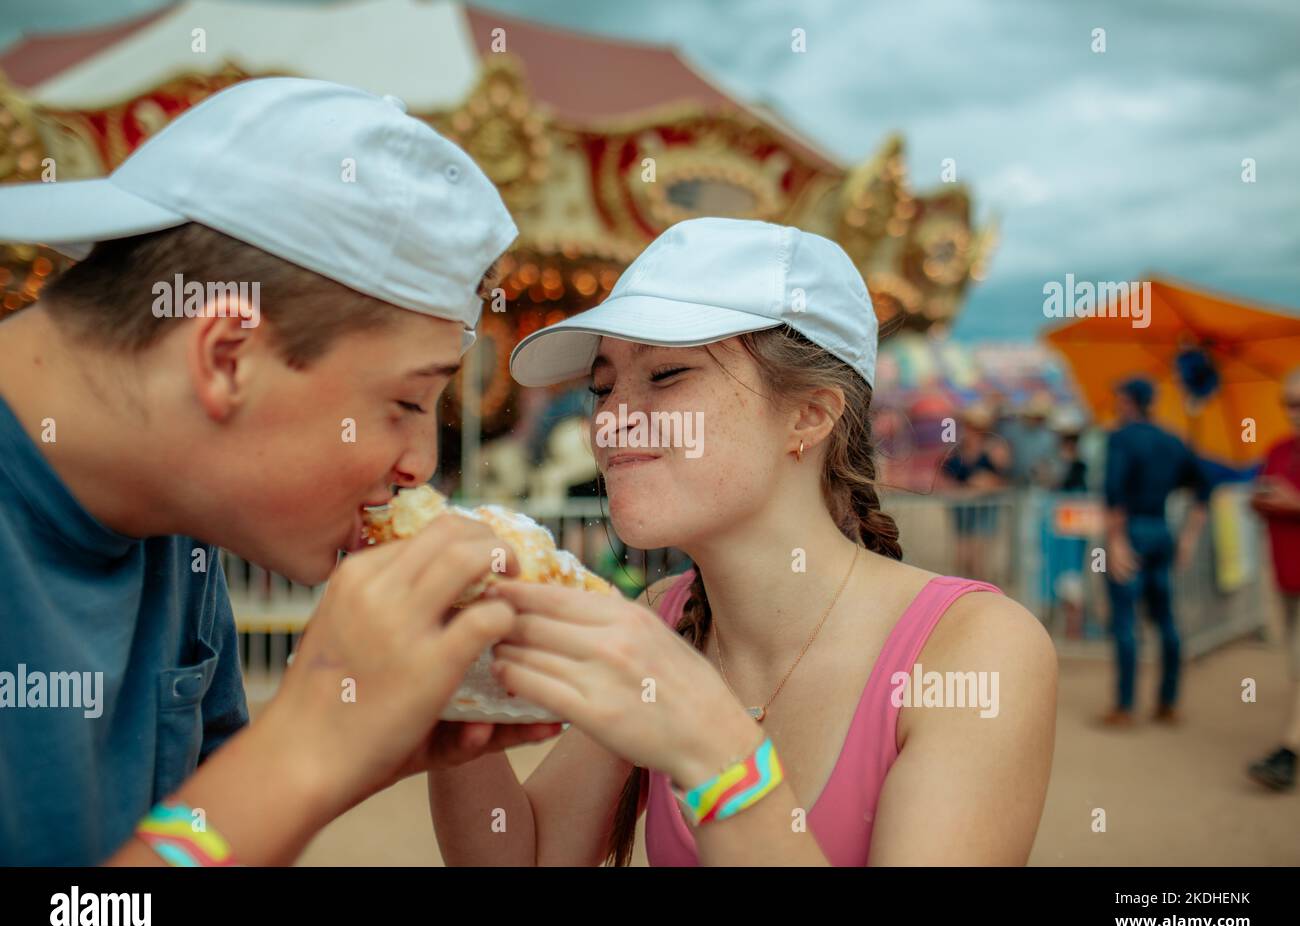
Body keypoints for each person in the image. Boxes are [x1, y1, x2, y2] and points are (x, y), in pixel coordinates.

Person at [0, 78, 562, 866]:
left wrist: (345, 763)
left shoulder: (176, 517)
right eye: (405, 399)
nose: (422, 465)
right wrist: (300, 759)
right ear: (228, 356)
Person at [427, 217, 1058, 866]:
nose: (612, 419)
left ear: (810, 414)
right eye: (603, 385)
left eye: (667, 375)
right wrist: (455, 695)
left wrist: (716, 753)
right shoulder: (663, 618)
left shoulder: (978, 649)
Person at [1100, 377, 1210, 728]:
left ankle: (1125, 706)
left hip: (1132, 530)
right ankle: (1167, 702)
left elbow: (1114, 493)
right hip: (1162, 531)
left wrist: (1116, 543)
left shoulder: (1121, 437)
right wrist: (1189, 539)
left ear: (1129, 401)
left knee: (1126, 621)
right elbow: (1204, 487)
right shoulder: (1174, 440)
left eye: (1119, 398)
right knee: (1165, 621)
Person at [1246, 367, 1300, 791]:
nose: (1293, 411)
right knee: (1292, 662)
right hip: (1284, 573)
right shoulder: (1279, 448)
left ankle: (1289, 750)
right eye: (1288, 402)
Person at [938, 401, 1010, 581]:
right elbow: (944, 478)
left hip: (984, 510)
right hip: (963, 510)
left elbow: (1005, 479)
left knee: (978, 559)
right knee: (962, 559)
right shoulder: (957, 450)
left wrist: (986, 483)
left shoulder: (995, 449)